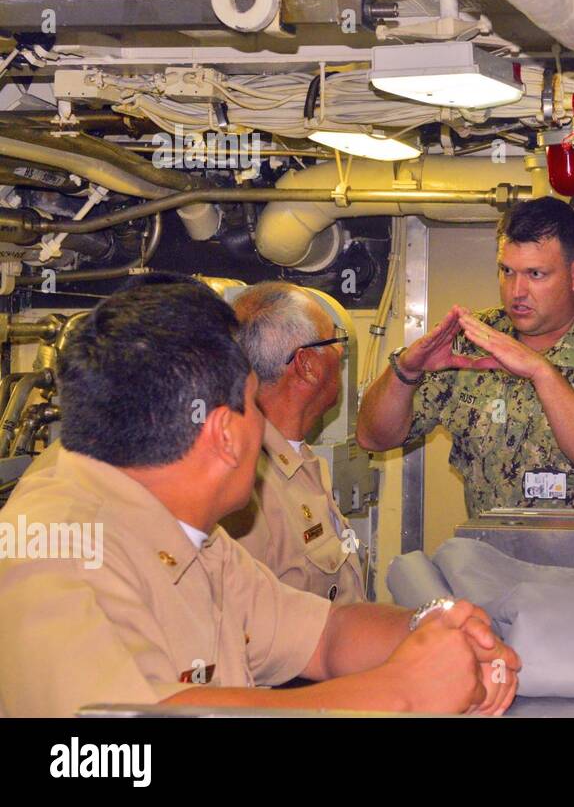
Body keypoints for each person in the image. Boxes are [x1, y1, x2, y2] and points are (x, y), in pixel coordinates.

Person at [0, 277, 519, 717]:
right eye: (253, 404)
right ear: (225, 434)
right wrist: (404, 691)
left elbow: (325, 634)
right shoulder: (49, 553)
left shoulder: (187, 531)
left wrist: (431, 628)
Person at [357, 196, 574, 514]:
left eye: (535, 274)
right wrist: (405, 371)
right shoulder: (475, 338)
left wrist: (541, 372)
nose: (516, 291)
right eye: (507, 271)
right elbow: (372, 438)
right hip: (490, 557)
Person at [221, 282, 364, 603]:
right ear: (307, 365)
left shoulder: (301, 462)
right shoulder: (248, 492)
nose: (340, 352)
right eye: (334, 341)